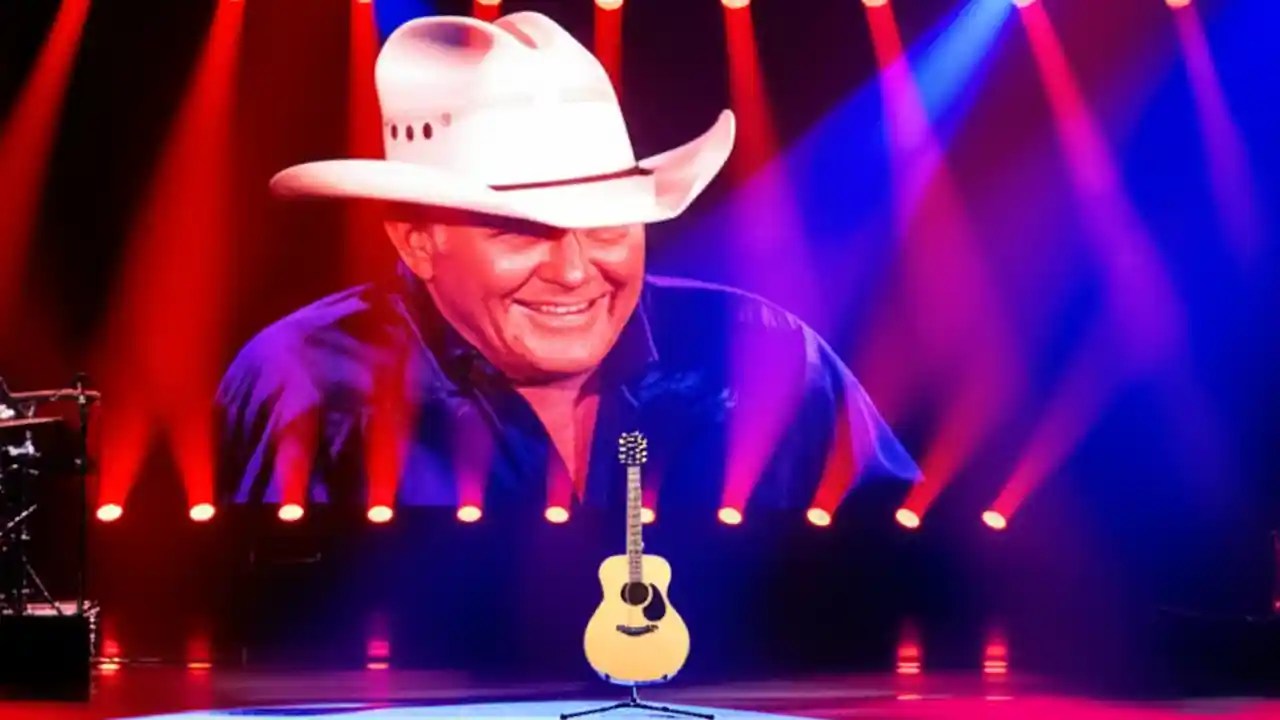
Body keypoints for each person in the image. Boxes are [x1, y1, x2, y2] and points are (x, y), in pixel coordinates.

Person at [214, 12, 919, 518]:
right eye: (521, 233)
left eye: (607, 224)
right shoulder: (308, 379)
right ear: (417, 242)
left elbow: (918, 591)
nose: (576, 272)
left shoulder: (764, 351)